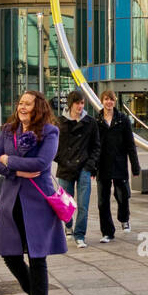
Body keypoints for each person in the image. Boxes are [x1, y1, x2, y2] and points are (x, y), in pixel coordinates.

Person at [0, 91, 65, 295]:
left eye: (28, 104)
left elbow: (42, 163)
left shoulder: (50, 131)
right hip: (11, 201)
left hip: (38, 202)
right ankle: (34, 294)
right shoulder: (8, 130)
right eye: (20, 102)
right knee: (9, 254)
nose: (22, 107)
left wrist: (8, 161)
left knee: (37, 256)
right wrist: (17, 170)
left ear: (38, 107)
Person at [55, 89, 99, 248]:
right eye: (77, 103)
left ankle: (80, 235)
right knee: (66, 203)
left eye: (82, 103)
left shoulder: (90, 122)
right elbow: (52, 145)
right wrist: (61, 159)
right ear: (70, 104)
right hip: (65, 167)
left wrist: (90, 165)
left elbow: (96, 146)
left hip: (84, 168)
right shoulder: (59, 122)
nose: (80, 106)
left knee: (83, 204)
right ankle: (68, 227)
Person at [96, 88, 141, 242]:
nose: (109, 102)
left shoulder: (123, 120)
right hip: (102, 166)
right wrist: (91, 167)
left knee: (122, 196)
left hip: (119, 164)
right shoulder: (96, 121)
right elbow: (93, 146)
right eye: (106, 99)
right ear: (102, 101)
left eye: (112, 99)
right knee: (102, 201)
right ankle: (107, 232)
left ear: (115, 102)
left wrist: (135, 166)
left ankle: (124, 218)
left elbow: (130, 145)